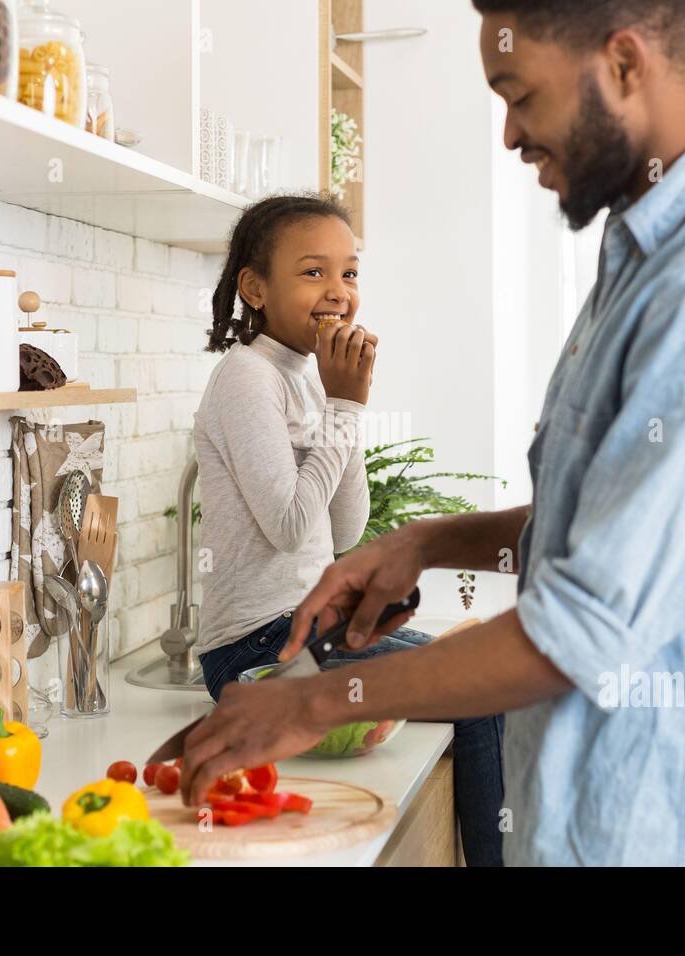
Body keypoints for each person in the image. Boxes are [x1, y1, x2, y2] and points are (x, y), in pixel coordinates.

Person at [178, 0, 685, 866]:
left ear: (622, 63)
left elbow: (583, 625)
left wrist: (310, 702)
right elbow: (607, 525)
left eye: (519, 94)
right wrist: (430, 541)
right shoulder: (647, 259)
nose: (509, 136)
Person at [190, 193, 506, 865]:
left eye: (350, 273)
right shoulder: (245, 378)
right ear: (255, 288)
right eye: (313, 272)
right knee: (481, 697)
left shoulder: (305, 375)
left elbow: (343, 528)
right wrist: (341, 405)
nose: (338, 291)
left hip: (306, 630)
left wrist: (345, 407)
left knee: (481, 665)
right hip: (256, 649)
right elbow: (285, 526)